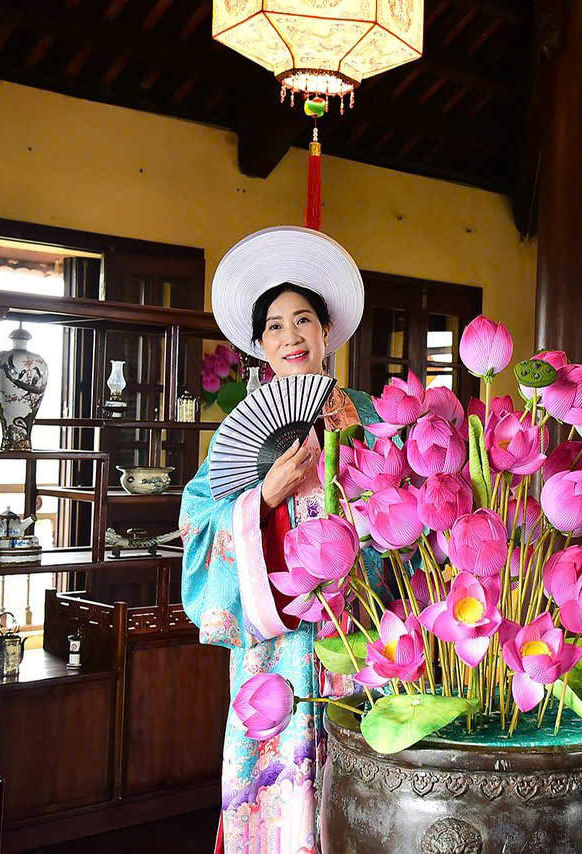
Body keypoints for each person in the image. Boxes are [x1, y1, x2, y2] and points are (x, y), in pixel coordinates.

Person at [179, 226, 384, 854]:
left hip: (364, 637)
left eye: (303, 320)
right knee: (280, 783)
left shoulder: (372, 418)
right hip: (277, 647)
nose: (291, 336)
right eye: (274, 325)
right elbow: (197, 530)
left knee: (367, 789)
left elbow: (413, 520)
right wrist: (264, 497)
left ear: (328, 332)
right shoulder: (236, 436)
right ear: (259, 343)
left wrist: (363, 479)